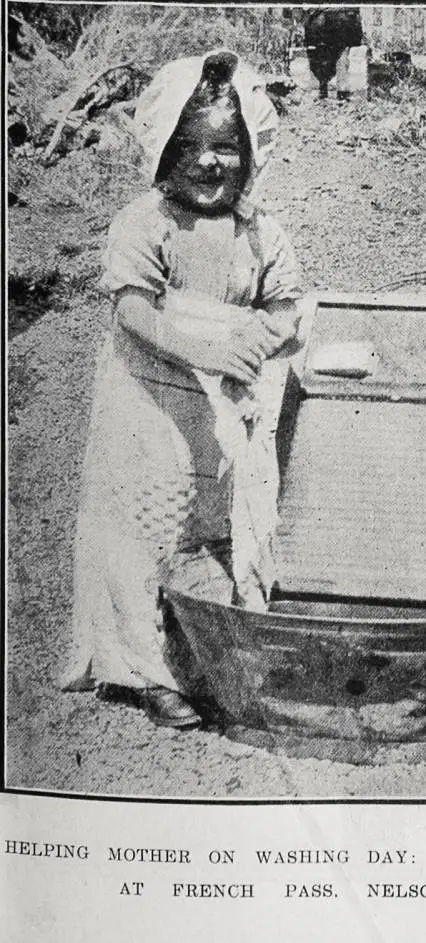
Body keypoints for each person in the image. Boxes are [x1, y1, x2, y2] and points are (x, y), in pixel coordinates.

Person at [62, 50, 303, 729]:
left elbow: (284, 305)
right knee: (142, 532)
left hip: (225, 407)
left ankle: (212, 654)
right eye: (190, 147)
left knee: (217, 531)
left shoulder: (261, 232)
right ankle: (142, 668)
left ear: (251, 151)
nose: (208, 163)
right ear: (164, 150)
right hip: (150, 402)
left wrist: (266, 336)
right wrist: (206, 347)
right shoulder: (147, 223)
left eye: (226, 147)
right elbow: (133, 311)